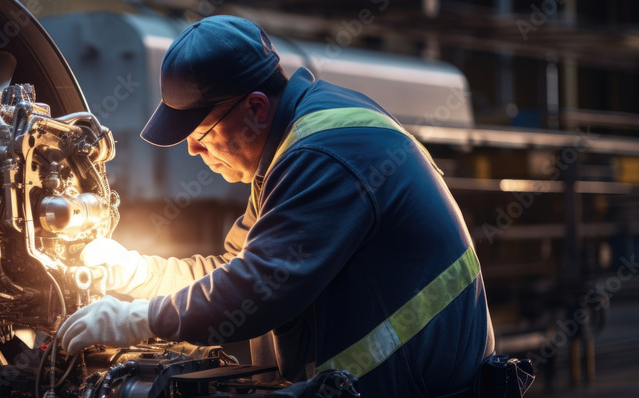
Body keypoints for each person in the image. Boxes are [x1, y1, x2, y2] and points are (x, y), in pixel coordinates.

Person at [57, 15, 495, 396]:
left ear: (256, 108)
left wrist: (139, 318)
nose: (192, 149)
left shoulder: (323, 154)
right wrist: (135, 272)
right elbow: (234, 268)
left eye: (202, 132)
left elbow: (258, 288)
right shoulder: (294, 143)